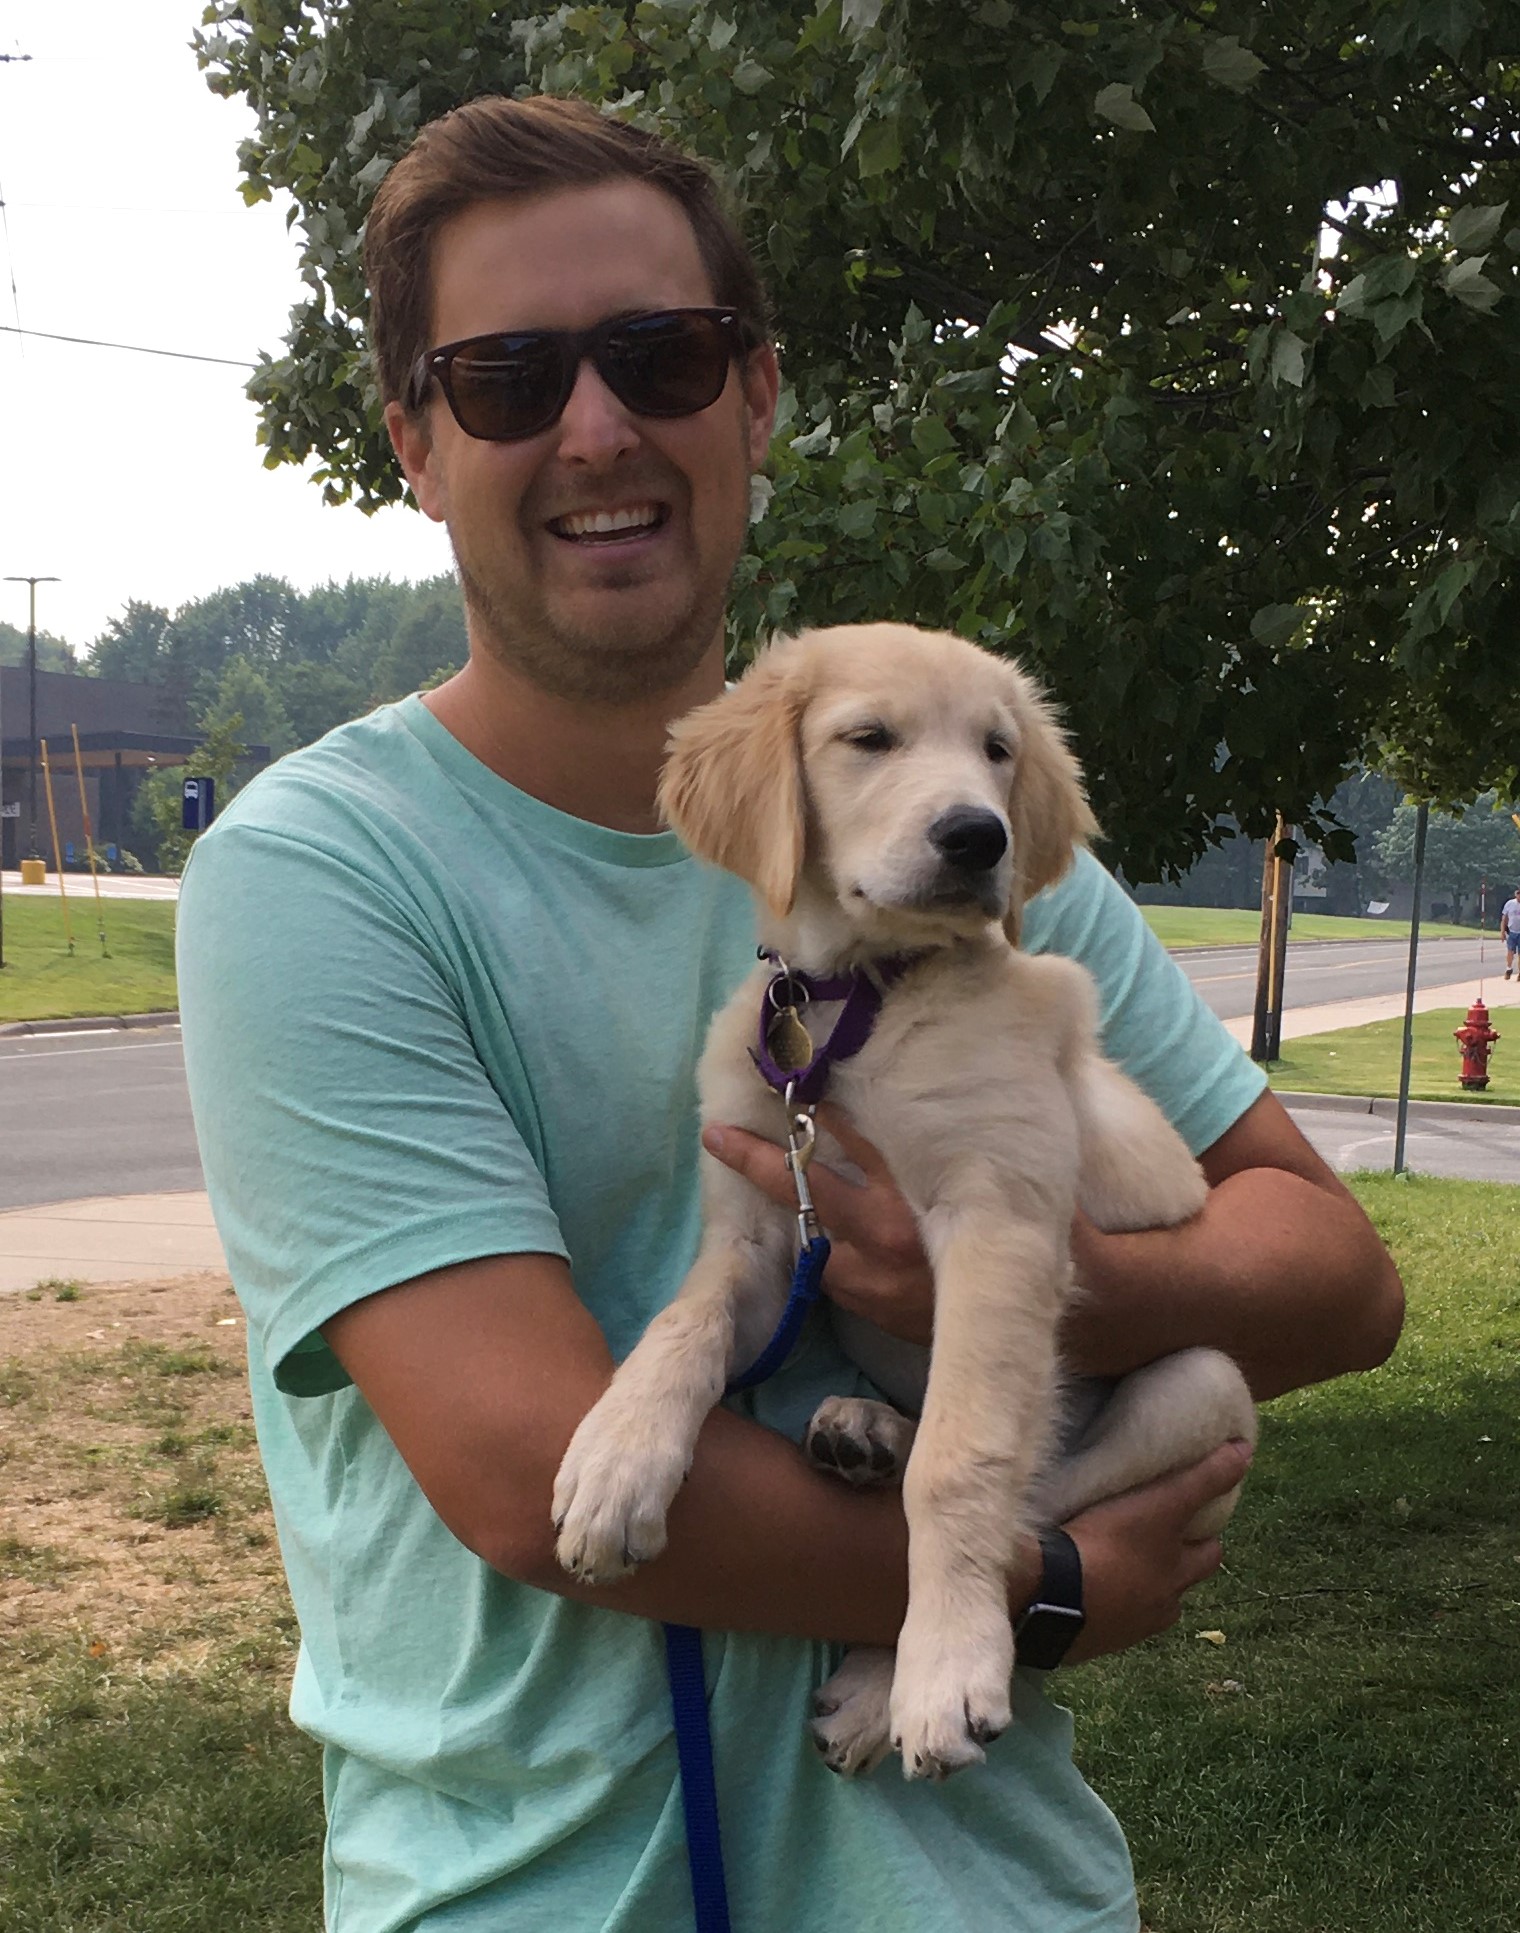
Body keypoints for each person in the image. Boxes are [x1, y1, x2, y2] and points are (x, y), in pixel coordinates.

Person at [176, 94, 1404, 1933]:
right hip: (532, 1892)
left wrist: (1024, 1281)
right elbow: (533, 1476)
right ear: (417, 444)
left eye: (659, 356)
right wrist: (1043, 1581)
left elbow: (1340, 1275)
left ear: (752, 396)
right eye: (508, 376)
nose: (597, 426)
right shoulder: (320, 873)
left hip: (987, 1887)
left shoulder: (969, 848)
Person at [1502, 885, 1520, 978]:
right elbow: (1504, 918)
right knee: (1510, 951)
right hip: (1512, 931)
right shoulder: (1510, 904)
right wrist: (1502, 932)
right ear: (1516, 894)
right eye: (1518, 893)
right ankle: (1508, 969)